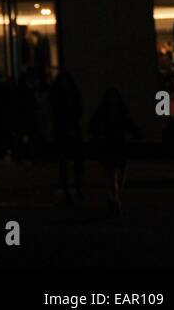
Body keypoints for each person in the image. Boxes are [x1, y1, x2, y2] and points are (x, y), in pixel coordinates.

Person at [90, 87, 142, 216]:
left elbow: (128, 123)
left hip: (118, 144)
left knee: (118, 173)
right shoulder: (106, 112)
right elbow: (94, 126)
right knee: (112, 173)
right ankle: (115, 199)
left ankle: (114, 197)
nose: (113, 100)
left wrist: (136, 133)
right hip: (110, 145)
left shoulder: (118, 111)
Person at [50, 69, 85, 204]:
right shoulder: (71, 94)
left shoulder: (59, 95)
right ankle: (73, 188)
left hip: (66, 129)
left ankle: (72, 188)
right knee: (70, 162)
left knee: (68, 162)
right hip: (69, 130)